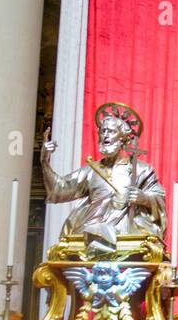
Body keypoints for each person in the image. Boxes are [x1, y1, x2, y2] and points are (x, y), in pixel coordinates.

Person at [41, 103, 166, 252]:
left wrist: (144, 198)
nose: (105, 135)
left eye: (111, 131)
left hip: (126, 240)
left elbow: (159, 199)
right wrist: (44, 161)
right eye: (103, 131)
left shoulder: (140, 170)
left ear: (123, 139)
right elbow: (59, 190)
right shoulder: (91, 170)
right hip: (89, 237)